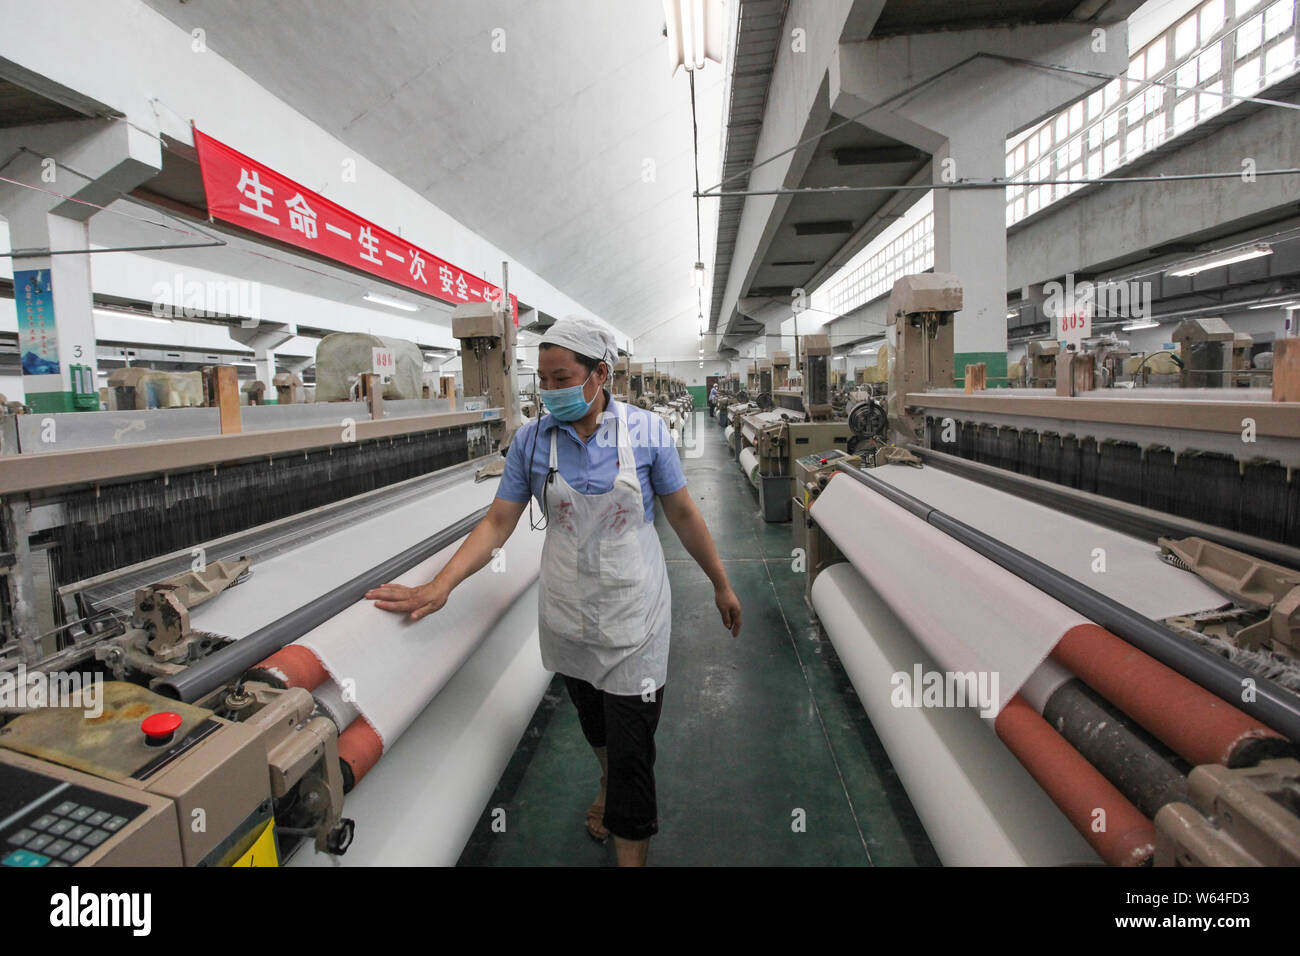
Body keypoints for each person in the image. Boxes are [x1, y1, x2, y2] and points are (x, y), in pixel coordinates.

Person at [367, 316, 742, 867]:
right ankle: (606, 778)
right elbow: (498, 522)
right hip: (568, 611)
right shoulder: (531, 440)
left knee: (635, 752)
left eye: (562, 378)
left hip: (635, 613)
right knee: (595, 723)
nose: (551, 390)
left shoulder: (645, 432)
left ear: (599, 375)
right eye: (543, 379)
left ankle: (627, 840)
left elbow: (682, 512)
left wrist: (720, 582)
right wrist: (441, 584)